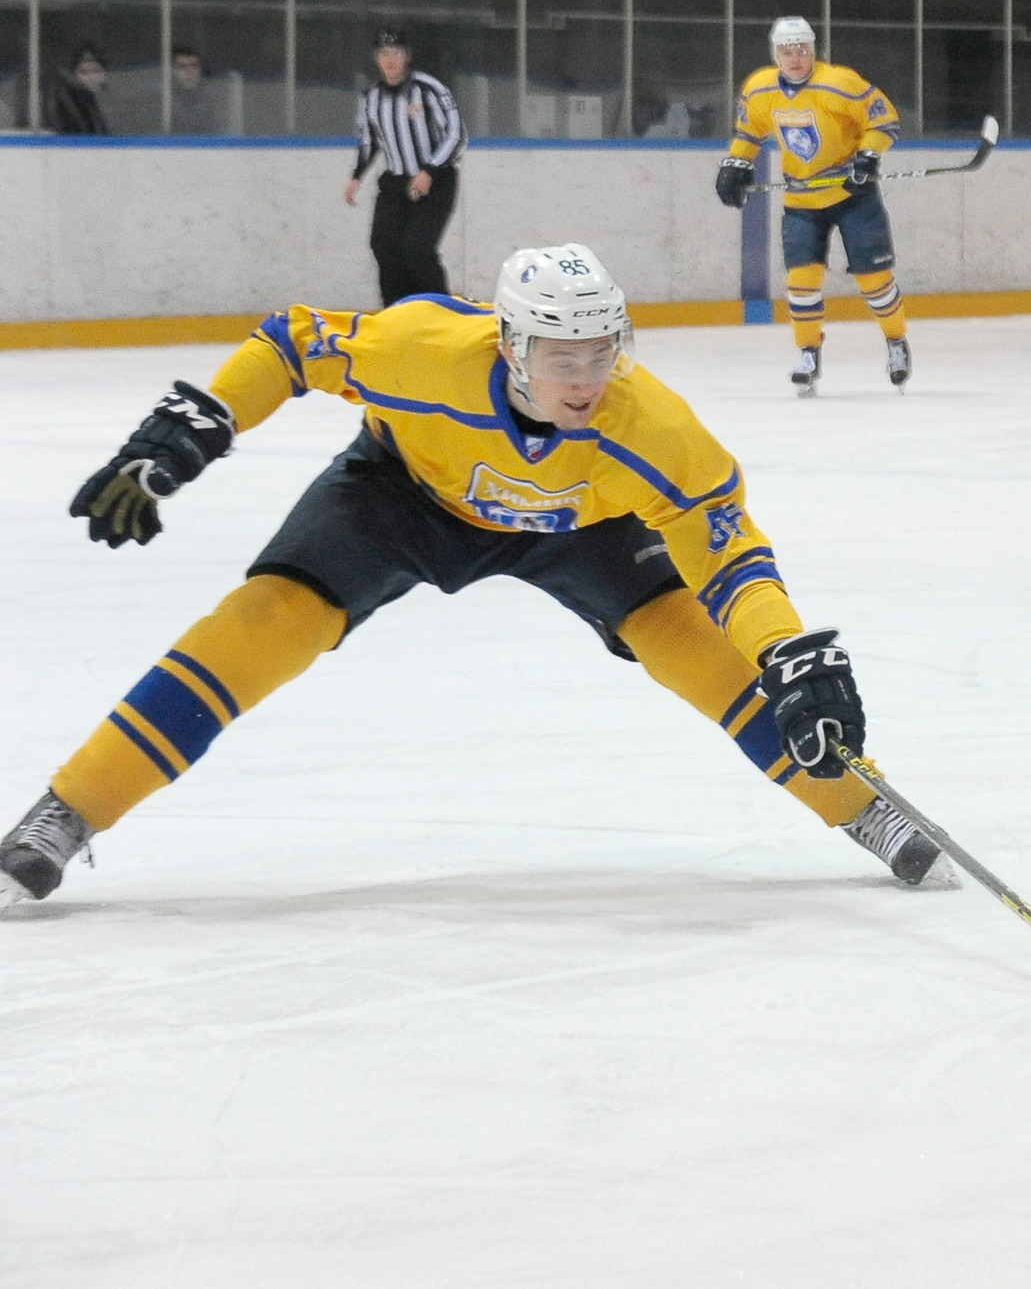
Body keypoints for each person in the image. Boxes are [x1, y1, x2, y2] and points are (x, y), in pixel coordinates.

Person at [0, 245, 953, 906]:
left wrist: (785, 651)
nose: (586, 377)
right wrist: (202, 417)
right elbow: (291, 341)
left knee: (692, 645)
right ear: (508, 346)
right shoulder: (423, 352)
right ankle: (69, 809)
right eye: (560, 356)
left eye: (601, 352)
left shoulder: (649, 429)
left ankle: (862, 807)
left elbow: (731, 554)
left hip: (579, 522)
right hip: (403, 492)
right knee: (265, 621)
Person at [714, 17, 912, 396]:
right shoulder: (759, 89)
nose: (795, 57)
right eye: (787, 51)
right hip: (802, 198)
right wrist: (734, 164)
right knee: (801, 282)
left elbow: (884, 121)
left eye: (801, 49)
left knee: (874, 281)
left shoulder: (840, 82)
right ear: (775, 54)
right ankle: (808, 353)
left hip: (853, 194)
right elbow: (748, 133)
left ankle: (896, 342)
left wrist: (868, 156)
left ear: (813, 49)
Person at [344, 29, 464, 306]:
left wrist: (430, 170)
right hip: (396, 181)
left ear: (406, 56)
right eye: (384, 54)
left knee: (417, 249)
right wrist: (356, 176)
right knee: (383, 246)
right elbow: (368, 139)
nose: (390, 60)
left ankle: (440, 312)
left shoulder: (429, 88)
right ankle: (397, 313)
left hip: (436, 179)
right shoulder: (372, 97)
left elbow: (456, 134)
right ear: (376, 59)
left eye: (396, 53)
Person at [42, 42, 110, 133]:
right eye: (84, 72)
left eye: (96, 71)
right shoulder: (69, 103)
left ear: (105, 74)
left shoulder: (100, 102)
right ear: (74, 75)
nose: (91, 78)